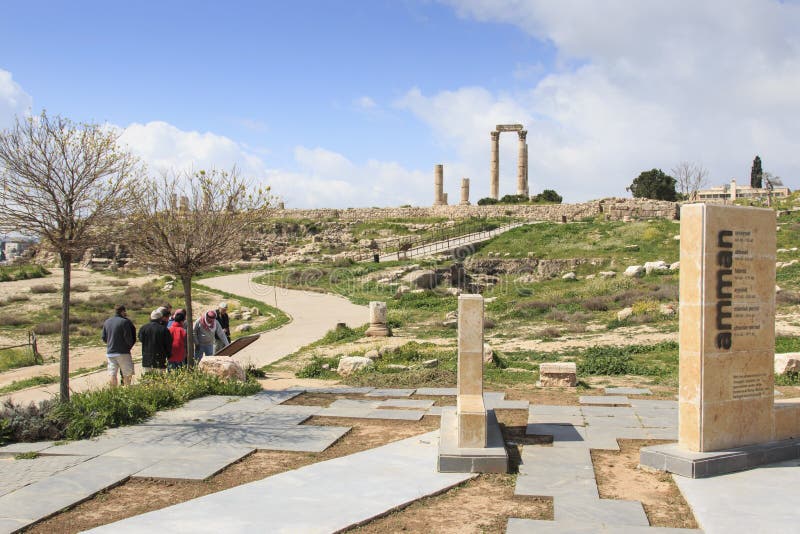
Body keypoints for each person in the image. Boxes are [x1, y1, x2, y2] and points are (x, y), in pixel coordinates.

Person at [101, 304, 136, 386]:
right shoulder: (125, 322)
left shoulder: (107, 321)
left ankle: (113, 393)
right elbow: (129, 338)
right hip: (123, 352)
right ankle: (126, 391)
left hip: (110, 352)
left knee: (112, 374)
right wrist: (128, 346)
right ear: (122, 311)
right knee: (127, 373)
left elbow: (103, 337)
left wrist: (110, 343)